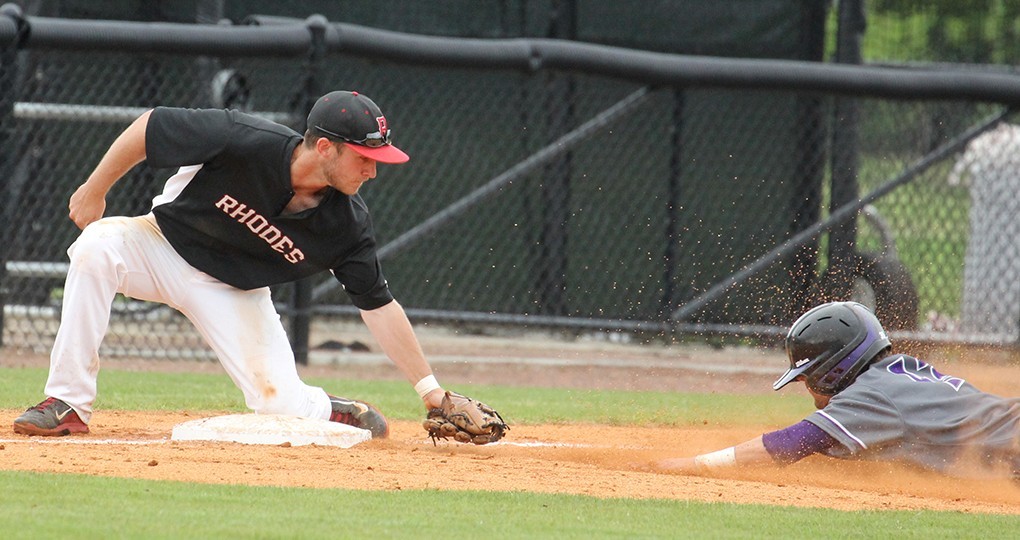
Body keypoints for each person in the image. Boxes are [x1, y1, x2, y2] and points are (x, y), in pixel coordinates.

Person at [13, 90, 454, 438]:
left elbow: (378, 305)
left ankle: (329, 408)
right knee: (97, 246)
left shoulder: (347, 225)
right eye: (365, 158)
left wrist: (430, 392)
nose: (373, 172)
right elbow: (150, 127)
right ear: (325, 148)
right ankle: (67, 403)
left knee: (280, 407)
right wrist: (95, 188)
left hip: (232, 290)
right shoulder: (242, 138)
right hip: (160, 245)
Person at [651, 301, 1020, 480]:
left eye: (808, 377)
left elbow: (789, 443)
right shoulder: (902, 369)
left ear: (834, 368)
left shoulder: (870, 396)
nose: (811, 391)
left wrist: (690, 465)